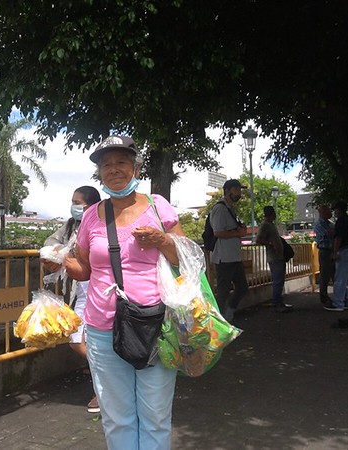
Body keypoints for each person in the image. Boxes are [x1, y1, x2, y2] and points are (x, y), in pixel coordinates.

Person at [64, 136, 184, 449]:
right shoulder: (92, 215)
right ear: (99, 174)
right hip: (103, 328)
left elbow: (186, 258)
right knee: (117, 416)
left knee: (155, 415)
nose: (113, 170)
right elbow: (84, 268)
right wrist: (59, 261)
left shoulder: (159, 207)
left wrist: (162, 240)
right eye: (106, 165)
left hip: (155, 324)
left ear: (135, 167)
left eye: (121, 162)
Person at [41, 185, 102, 413]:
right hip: (81, 289)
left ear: (91, 204)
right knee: (76, 339)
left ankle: (104, 389)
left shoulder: (102, 224)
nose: (74, 206)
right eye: (73, 202)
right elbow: (50, 242)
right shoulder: (71, 225)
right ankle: (108, 378)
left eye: (78, 202)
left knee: (93, 340)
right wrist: (54, 252)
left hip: (100, 289)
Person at [209, 179, 249, 321]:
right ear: (227, 191)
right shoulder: (220, 209)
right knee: (223, 292)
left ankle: (228, 313)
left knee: (242, 287)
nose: (239, 193)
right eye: (236, 190)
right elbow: (218, 232)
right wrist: (238, 233)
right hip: (224, 258)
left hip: (234, 257)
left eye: (239, 190)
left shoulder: (230, 209)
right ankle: (218, 321)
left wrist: (239, 229)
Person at [255, 205, 293, 313]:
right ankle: (277, 304)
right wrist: (271, 244)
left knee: (279, 281)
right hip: (274, 257)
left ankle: (279, 302)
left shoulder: (270, 225)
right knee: (277, 281)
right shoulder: (266, 225)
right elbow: (259, 240)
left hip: (278, 256)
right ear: (272, 214)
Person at [326, 201, 348, 312]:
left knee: (340, 278)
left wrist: (335, 252)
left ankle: (338, 303)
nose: (334, 212)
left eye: (335, 209)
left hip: (344, 250)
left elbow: (338, 238)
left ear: (338, 209)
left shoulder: (341, 221)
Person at [313, 205, 335, 307]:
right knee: (325, 275)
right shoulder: (319, 224)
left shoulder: (330, 223)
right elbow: (329, 234)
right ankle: (324, 297)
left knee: (335, 274)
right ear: (322, 213)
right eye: (328, 212)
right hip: (325, 250)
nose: (331, 214)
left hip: (332, 250)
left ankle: (337, 296)